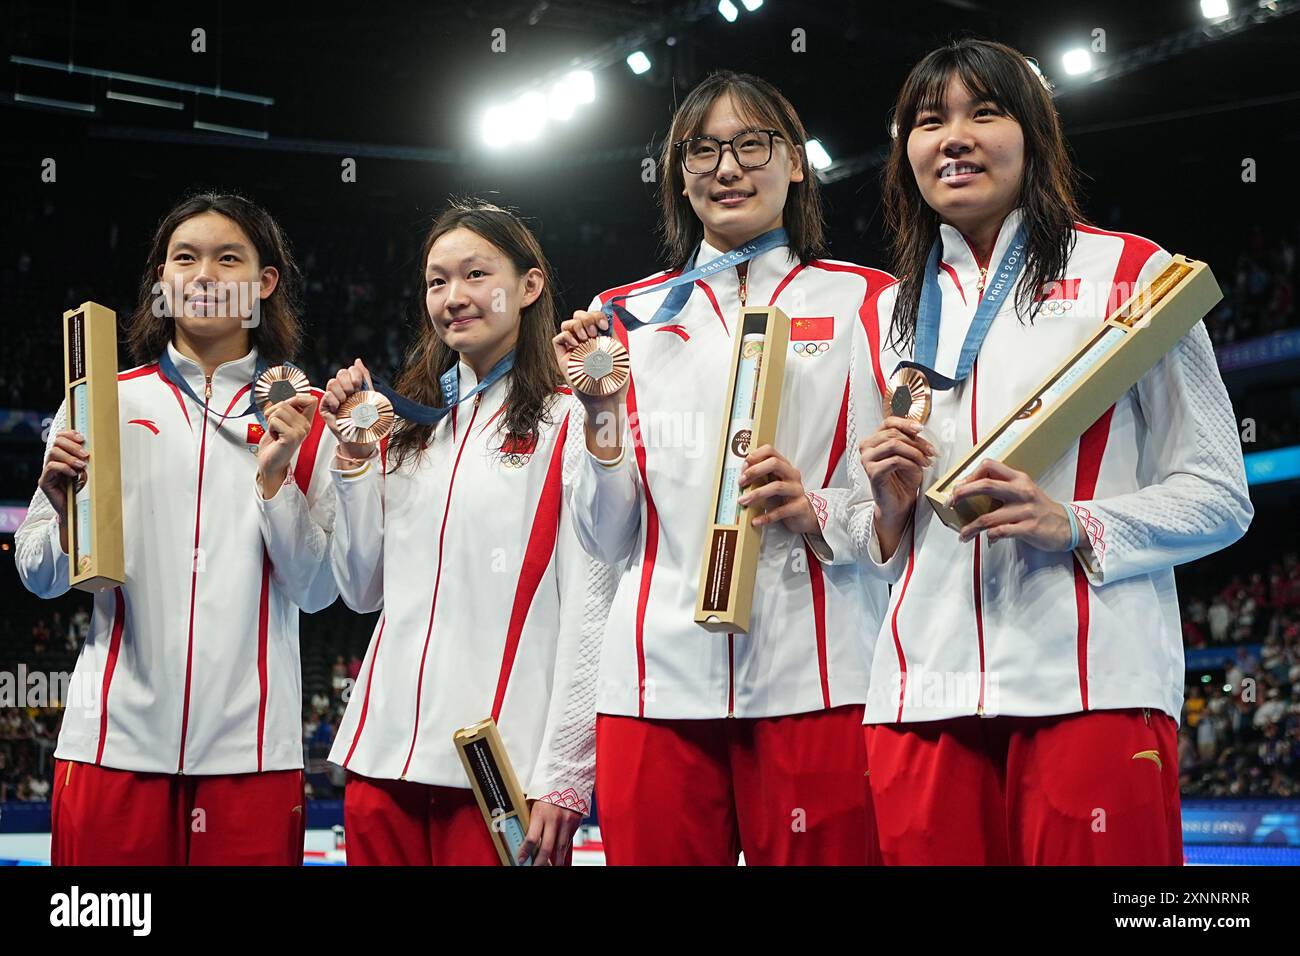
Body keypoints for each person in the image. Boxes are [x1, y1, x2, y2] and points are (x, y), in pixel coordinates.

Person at [822, 38, 1252, 864]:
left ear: (1034, 134)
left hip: (1092, 689)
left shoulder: (1133, 273)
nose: (953, 137)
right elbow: (860, 538)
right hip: (920, 702)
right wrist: (883, 505)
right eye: (927, 120)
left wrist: (1078, 523)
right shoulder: (884, 315)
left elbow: (1220, 496)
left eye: (984, 112)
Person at [553, 72, 893, 865]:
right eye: (702, 149)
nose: (726, 167)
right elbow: (603, 538)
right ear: (678, 173)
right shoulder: (620, 317)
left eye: (751, 144)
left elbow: (894, 506)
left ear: (797, 162)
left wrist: (817, 510)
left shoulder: (869, 302)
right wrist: (601, 415)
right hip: (653, 687)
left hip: (820, 677)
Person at [15, 192, 338, 865]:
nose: (205, 276)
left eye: (229, 259)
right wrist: (57, 499)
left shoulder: (304, 421)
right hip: (111, 747)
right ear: (162, 280)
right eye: (184, 259)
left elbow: (315, 590)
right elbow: (40, 576)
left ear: (265, 282)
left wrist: (275, 482)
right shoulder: (102, 399)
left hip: (252, 755)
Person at [322, 200, 612, 866]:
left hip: (498, 774)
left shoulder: (571, 420)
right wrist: (352, 461)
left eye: (476, 275)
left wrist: (566, 772)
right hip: (379, 759)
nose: (454, 297)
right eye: (436, 281)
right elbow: (363, 589)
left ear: (529, 286)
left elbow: (590, 607)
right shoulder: (410, 426)